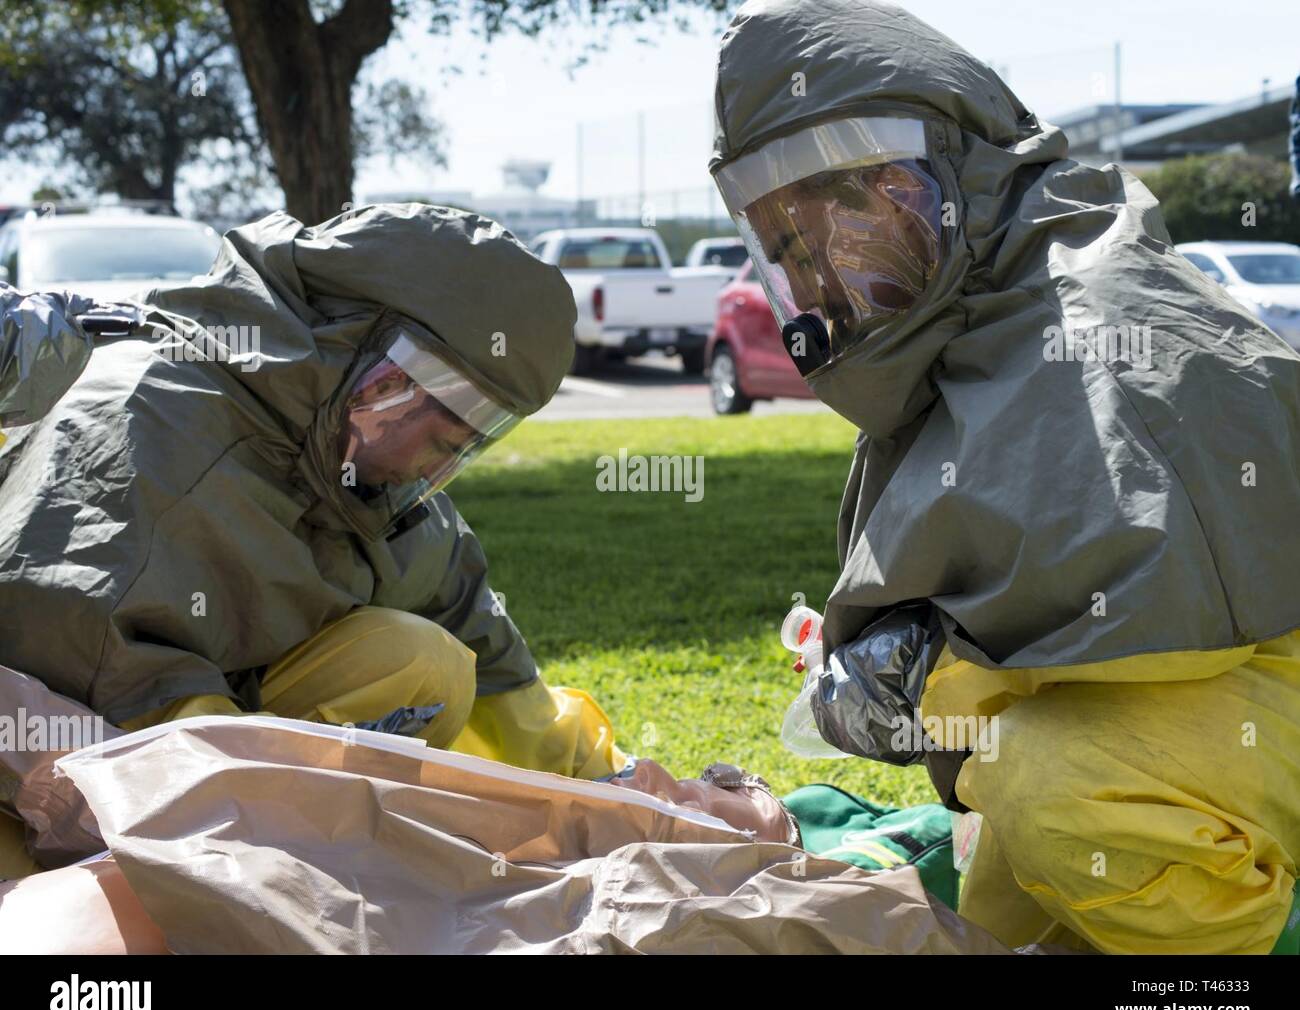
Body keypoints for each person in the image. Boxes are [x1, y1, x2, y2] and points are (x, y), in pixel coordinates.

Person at [710, 0, 1300, 954]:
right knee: (1001, 903)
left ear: (930, 176)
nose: (818, 268)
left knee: (1052, 794)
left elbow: (1173, 615)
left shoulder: (1088, 310)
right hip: (1190, 712)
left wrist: (922, 675)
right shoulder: (976, 308)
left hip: (1255, 692)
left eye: (841, 206)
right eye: (784, 243)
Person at [0, 204, 626, 876]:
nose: (437, 471)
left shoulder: (354, 468)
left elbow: (478, 638)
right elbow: (114, 685)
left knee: (422, 661)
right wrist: (256, 843)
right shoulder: (152, 424)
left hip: (179, 750)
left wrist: (620, 791)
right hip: (47, 770)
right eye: (446, 441)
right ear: (385, 387)